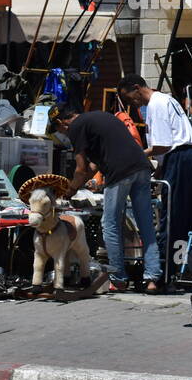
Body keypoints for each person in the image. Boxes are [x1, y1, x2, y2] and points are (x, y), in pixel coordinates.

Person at [55, 108, 160, 293]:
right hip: (142, 168)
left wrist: (69, 191)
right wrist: (84, 184)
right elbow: (92, 166)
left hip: (120, 172)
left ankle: (118, 279)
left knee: (109, 223)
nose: (64, 135)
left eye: (61, 131)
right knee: (145, 224)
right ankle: (152, 279)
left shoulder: (76, 127)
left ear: (62, 123)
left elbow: (80, 169)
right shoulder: (99, 117)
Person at [117, 74, 192, 284]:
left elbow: (163, 145)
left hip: (180, 158)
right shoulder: (166, 99)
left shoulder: (155, 105)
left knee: (173, 216)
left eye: (129, 97)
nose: (130, 102)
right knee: (190, 215)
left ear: (137, 88)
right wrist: (160, 168)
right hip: (190, 157)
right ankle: (189, 268)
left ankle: (167, 271)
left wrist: (138, 155)